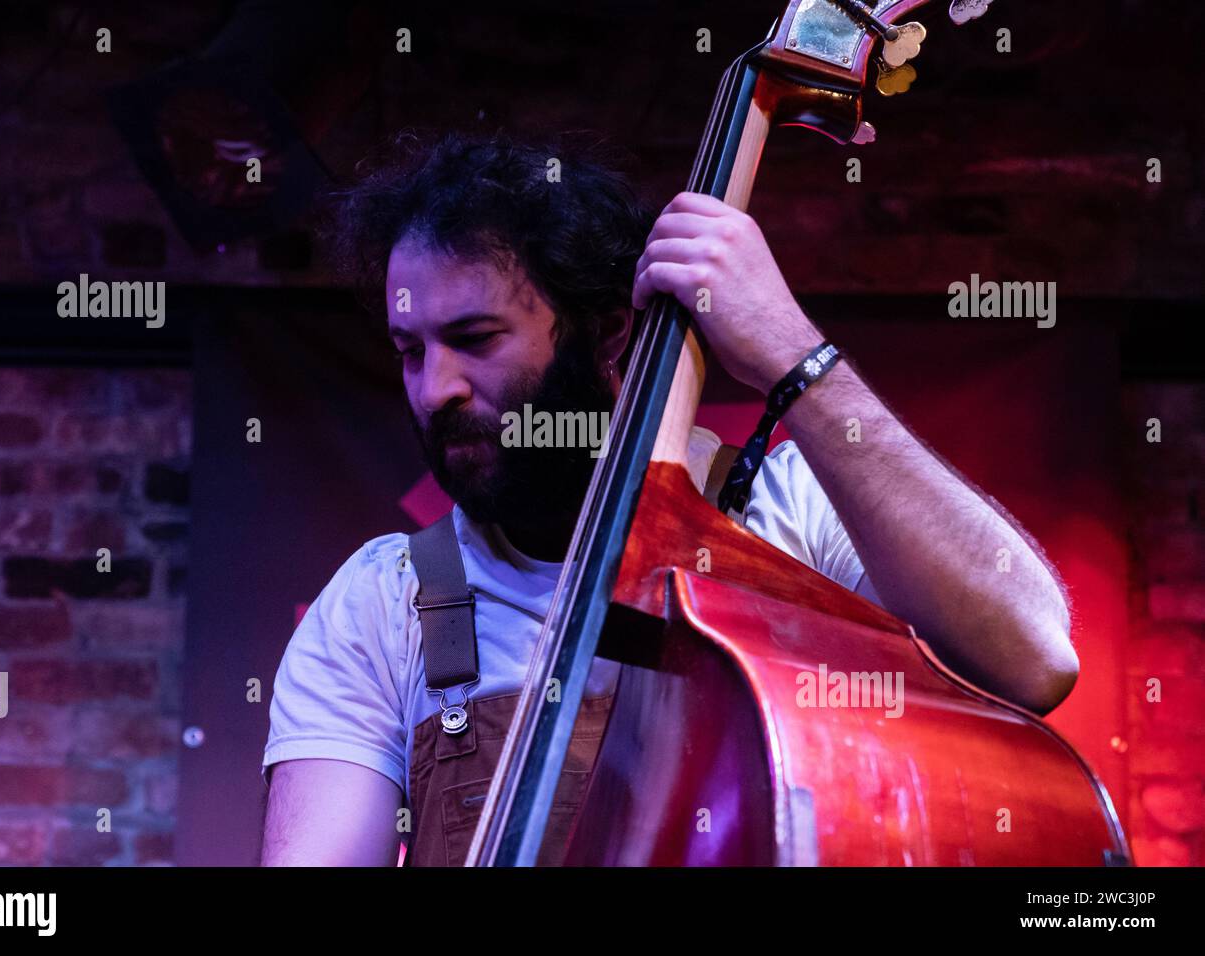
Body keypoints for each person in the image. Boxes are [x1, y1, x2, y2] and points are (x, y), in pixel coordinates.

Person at [260, 132, 1077, 866]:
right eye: (410, 350)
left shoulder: (785, 512)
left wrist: (792, 352)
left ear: (609, 333)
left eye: (475, 340)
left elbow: (1033, 658)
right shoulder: (383, 600)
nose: (435, 389)